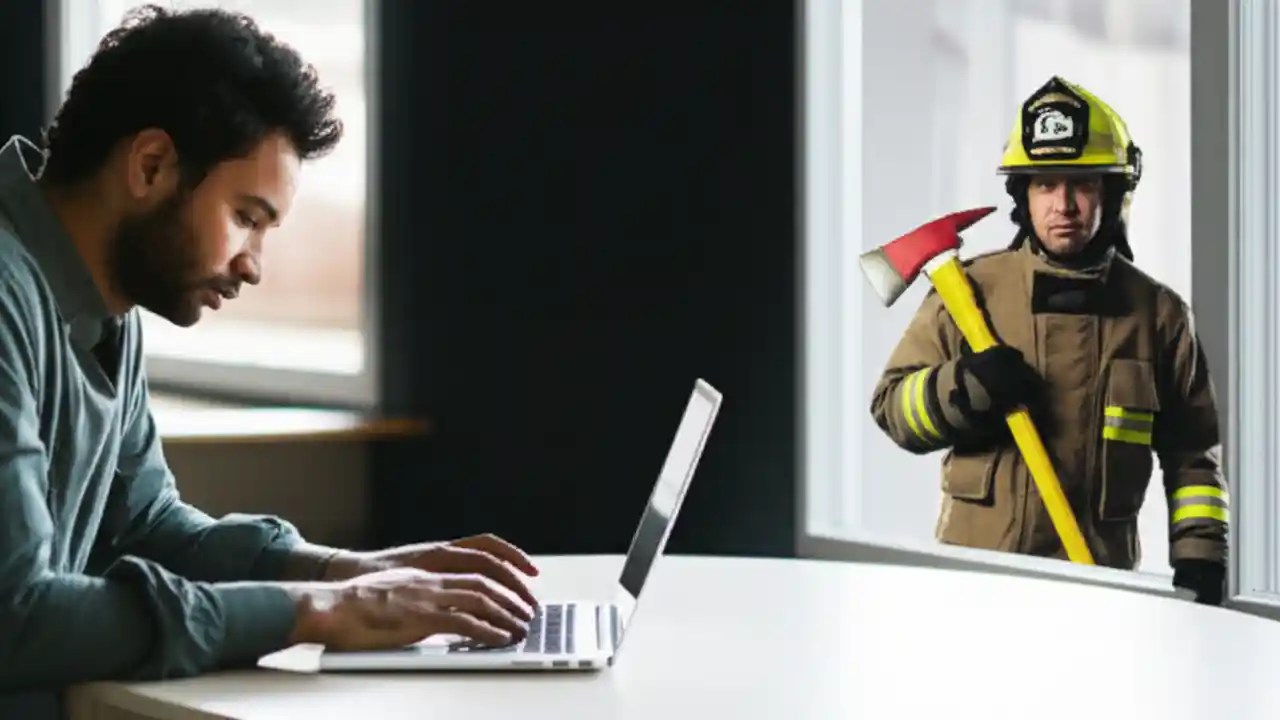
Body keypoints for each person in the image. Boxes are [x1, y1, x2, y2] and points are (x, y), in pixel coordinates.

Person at [0, 4, 540, 709]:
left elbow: (149, 523)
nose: (252, 265)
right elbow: (16, 617)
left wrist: (342, 572)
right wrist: (314, 612)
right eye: (245, 219)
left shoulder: (105, 304)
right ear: (152, 165)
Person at [869, 76, 1228, 604]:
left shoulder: (1159, 315)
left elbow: (1194, 454)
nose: (1063, 204)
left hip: (1101, 589)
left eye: (1082, 184)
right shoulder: (968, 294)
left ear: (1112, 192)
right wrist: (963, 389)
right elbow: (891, 410)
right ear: (1022, 195)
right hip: (976, 587)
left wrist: (1200, 561)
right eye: (1044, 184)